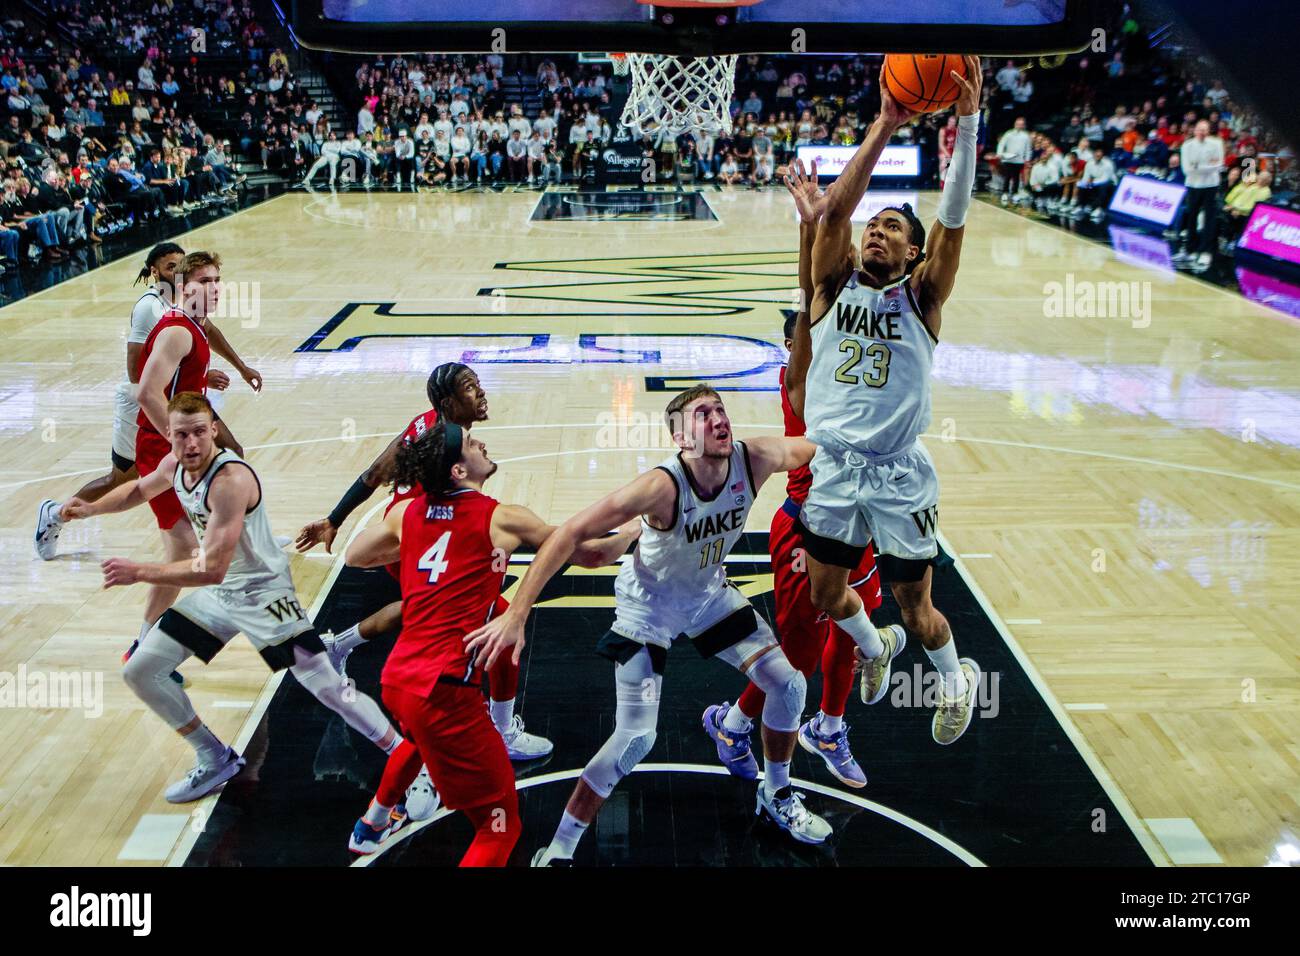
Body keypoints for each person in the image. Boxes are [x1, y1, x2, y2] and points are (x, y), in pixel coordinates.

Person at [467, 385, 834, 863]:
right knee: (636, 738)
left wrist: (878, 438)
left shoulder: (755, 457)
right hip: (648, 611)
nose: (719, 419)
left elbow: (818, 444)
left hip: (707, 597)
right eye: (703, 414)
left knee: (788, 686)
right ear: (681, 437)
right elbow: (572, 532)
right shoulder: (661, 485)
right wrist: (517, 614)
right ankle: (559, 847)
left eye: (721, 410)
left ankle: (777, 795)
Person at [59, 392, 405, 803]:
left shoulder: (230, 481)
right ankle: (215, 756)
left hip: (264, 594)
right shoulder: (174, 465)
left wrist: (139, 572)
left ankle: (406, 757)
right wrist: (91, 508)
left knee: (327, 687)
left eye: (200, 433)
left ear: (214, 430)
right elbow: (137, 490)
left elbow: (211, 567)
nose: (191, 444)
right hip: (223, 595)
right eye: (182, 434)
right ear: (168, 434)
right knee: (140, 670)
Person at [795, 57, 983, 748]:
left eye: (893, 229)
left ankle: (954, 682)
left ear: (911, 252)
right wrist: (885, 122)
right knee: (824, 597)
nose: (876, 231)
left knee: (918, 605)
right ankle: (875, 648)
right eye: (871, 226)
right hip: (836, 468)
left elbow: (953, 223)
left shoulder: (923, 297)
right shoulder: (829, 287)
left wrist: (966, 121)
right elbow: (835, 212)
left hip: (900, 472)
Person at [343, 422, 638, 860]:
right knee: (500, 825)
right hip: (444, 690)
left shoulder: (405, 515)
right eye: (469, 444)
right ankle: (387, 813)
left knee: (419, 738)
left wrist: (422, 543)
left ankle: (373, 823)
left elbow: (355, 555)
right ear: (459, 471)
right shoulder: (503, 517)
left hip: (399, 681)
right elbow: (591, 553)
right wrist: (633, 532)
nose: (480, 442)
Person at [703, 159, 883, 789]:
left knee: (856, 629)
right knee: (799, 654)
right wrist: (810, 228)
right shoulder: (803, 381)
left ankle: (828, 727)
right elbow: (813, 296)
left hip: (860, 522)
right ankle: (733, 719)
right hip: (807, 528)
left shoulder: (863, 367)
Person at [295, 363, 553, 766]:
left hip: (420, 534)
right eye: (471, 387)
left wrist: (335, 519)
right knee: (497, 627)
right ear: (449, 402)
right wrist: (336, 520)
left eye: (478, 383)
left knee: (421, 611)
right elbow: (376, 475)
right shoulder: (440, 440)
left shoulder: (429, 425)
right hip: (417, 537)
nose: (482, 392)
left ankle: (338, 646)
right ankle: (491, 734)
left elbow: (373, 474)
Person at [36, 244, 262, 573]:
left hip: (183, 406)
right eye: (170, 266)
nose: (176, 269)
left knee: (231, 454)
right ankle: (57, 514)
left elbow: (207, 331)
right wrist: (175, 424)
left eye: (179, 264)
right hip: (143, 409)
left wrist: (232, 368)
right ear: (157, 272)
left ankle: (240, 537)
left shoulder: (189, 307)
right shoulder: (151, 309)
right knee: (123, 482)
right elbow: (137, 374)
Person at [1177, 119, 1225, 272]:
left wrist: (1198, 166)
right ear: (1195, 130)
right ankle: (1190, 250)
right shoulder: (1187, 145)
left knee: (1209, 219)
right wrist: (1207, 166)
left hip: (1211, 185)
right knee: (1191, 217)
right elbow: (1187, 170)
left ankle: (1205, 252)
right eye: (1199, 129)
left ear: (1209, 131)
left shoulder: (1216, 144)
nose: (1202, 132)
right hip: (1193, 185)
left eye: (1205, 130)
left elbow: (1219, 165)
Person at [996, 116, 1032, 205]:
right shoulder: (1009, 134)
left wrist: (1027, 159)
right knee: (1007, 176)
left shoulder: (1026, 136)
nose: (1019, 126)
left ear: (1024, 125)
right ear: (1015, 124)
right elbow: (1001, 144)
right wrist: (1000, 153)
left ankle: (1015, 193)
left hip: (1019, 160)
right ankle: (1005, 192)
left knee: (1016, 177)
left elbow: (1028, 149)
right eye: (1018, 124)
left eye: (1021, 124)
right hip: (1008, 158)